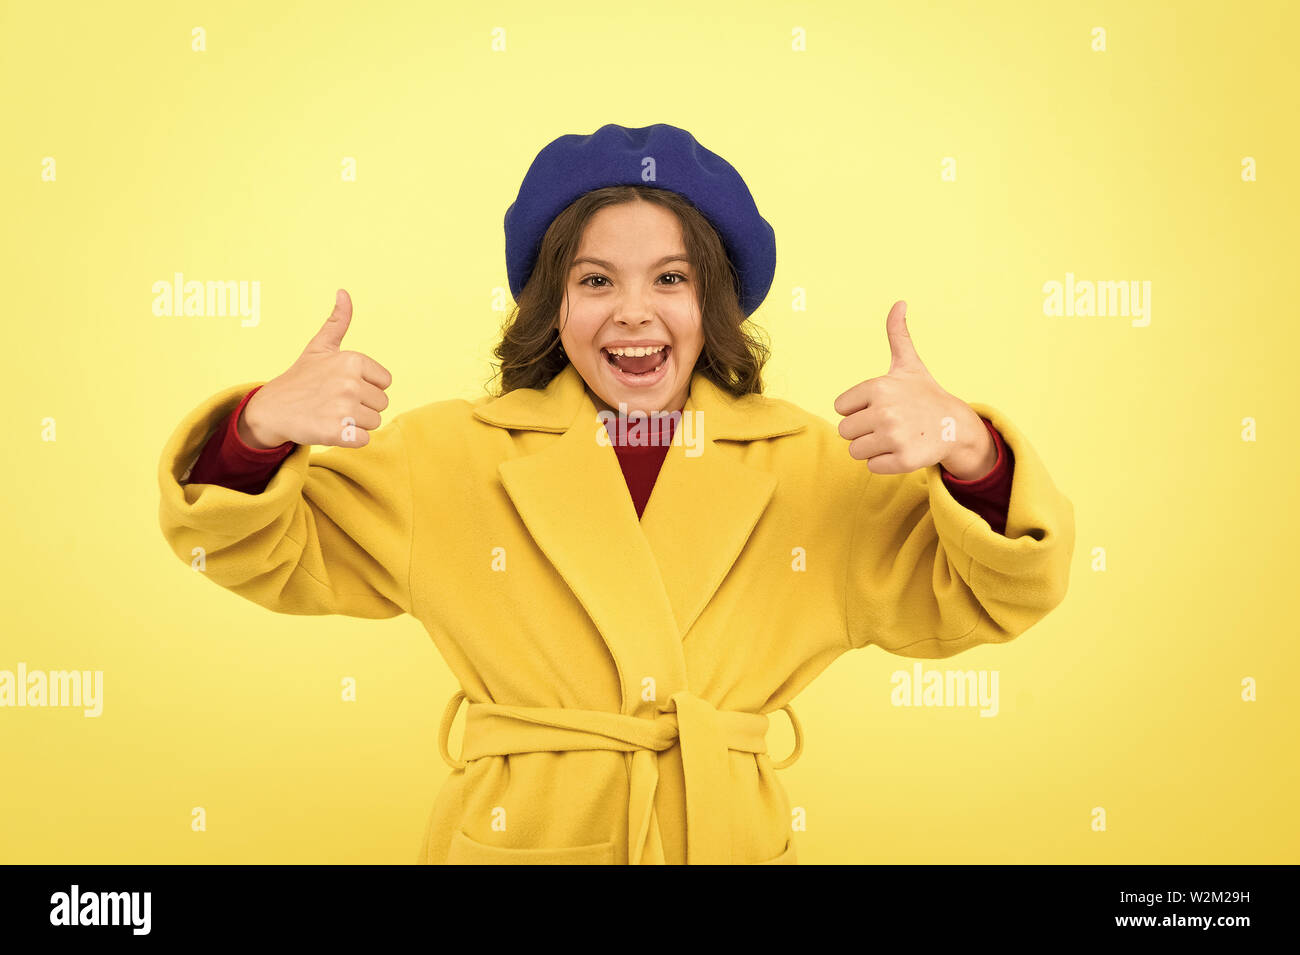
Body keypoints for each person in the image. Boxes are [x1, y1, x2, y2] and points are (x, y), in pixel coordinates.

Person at [157, 122, 1074, 864]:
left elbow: (1002, 589)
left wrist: (968, 448)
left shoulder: (812, 465)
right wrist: (259, 428)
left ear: (714, 304)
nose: (634, 311)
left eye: (671, 278)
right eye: (595, 280)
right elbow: (237, 546)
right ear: (552, 306)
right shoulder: (447, 456)